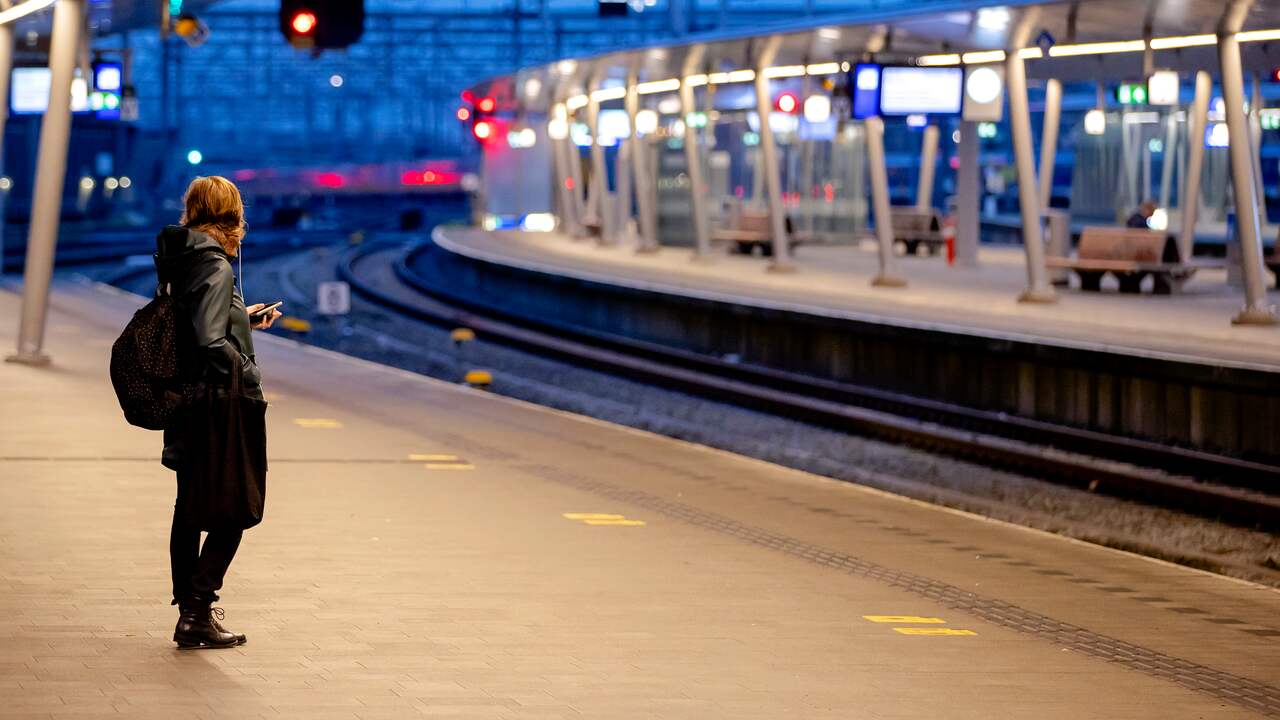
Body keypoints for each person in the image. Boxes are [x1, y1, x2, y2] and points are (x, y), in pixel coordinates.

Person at [155, 176, 282, 649]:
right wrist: (244, 368)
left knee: (190, 507)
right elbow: (209, 340)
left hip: (188, 399)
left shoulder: (184, 259)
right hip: (220, 401)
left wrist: (243, 320)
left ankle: (192, 617)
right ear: (232, 213)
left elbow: (195, 327)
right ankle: (197, 609)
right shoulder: (214, 264)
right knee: (239, 505)